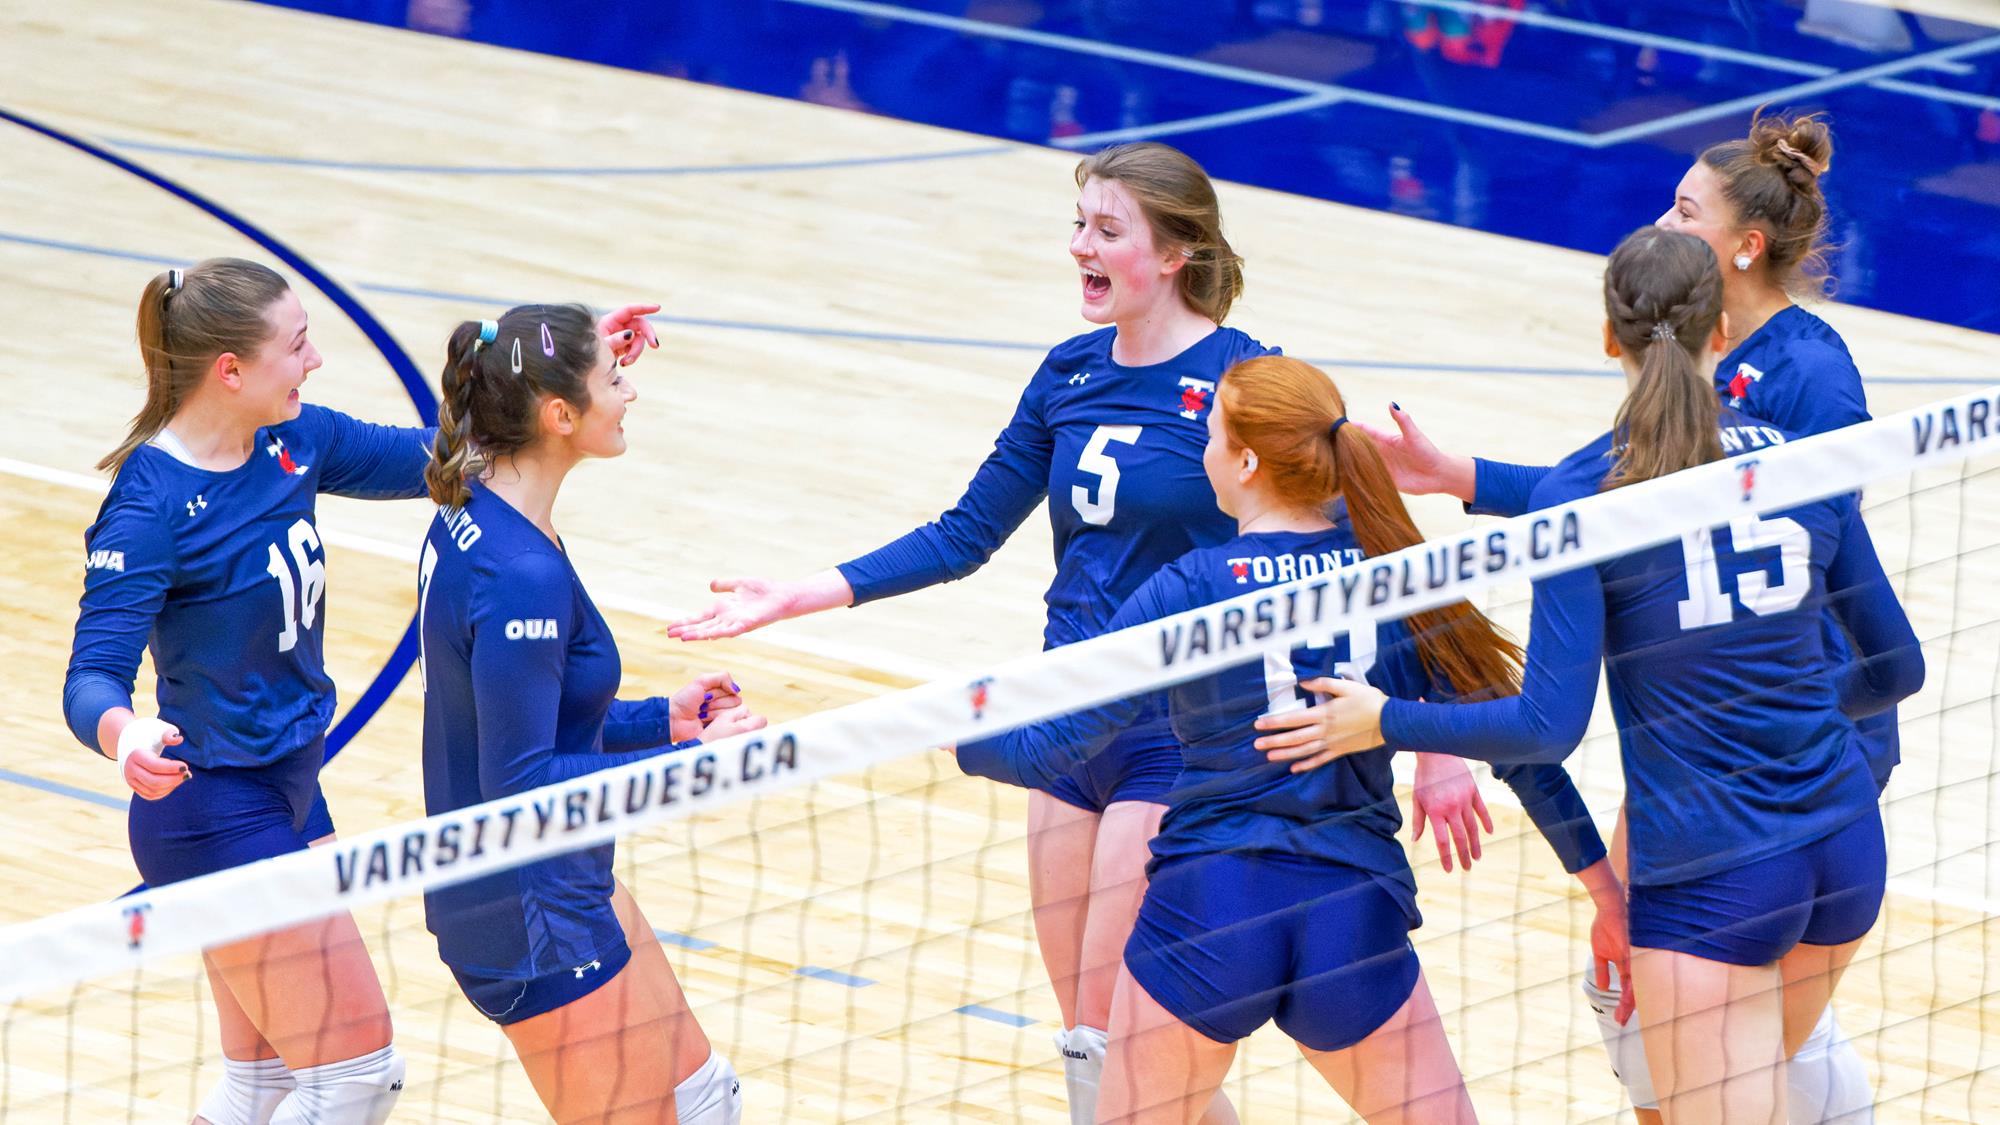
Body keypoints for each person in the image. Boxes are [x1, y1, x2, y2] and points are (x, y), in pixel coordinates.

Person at [665, 141, 1491, 1124]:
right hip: (1063, 718)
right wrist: (792, 595)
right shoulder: (1067, 373)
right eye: (1076, 226)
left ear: (1174, 254)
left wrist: (1431, 738)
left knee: (1123, 1048)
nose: (1078, 249)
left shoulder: (1246, 381)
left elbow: (1370, 545)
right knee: (1101, 1060)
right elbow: (964, 534)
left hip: (1176, 738)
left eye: (1106, 231)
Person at [1257, 227, 1923, 1124]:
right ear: (1722, 331)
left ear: (1609, 337)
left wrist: (1386, 720)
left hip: (1713, 867)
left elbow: (1545, 727)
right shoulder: (1804, 465)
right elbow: (1897, 664)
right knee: (1775, 1094)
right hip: (1843, 847)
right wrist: (1784, 706)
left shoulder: (1578, 502)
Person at [61, 257, 658, 1125]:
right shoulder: (150, 507)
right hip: (211, 806)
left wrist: (573, 374)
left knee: (259, 1086)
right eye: (297, 346)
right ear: (231, 371)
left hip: (287, 790)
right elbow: (91, 672)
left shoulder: (289, 442)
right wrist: (124, 733)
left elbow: (455, 453)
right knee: (354, 1078)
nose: (315, 361)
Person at [954, 354, 1613, 1123]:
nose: (1201, 453)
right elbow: (1526, 754)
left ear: (1244, 461)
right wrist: (1606, 894)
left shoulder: (1188, 589)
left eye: (1209, 436)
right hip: (1352, 914)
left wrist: (962, 739)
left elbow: (1052, 752)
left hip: (1211, 909)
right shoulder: (1402, 572)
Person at [418, 305, 759, 1124]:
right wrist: (693, 767)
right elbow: (522, 778)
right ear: (558, 415)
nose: (630, 391)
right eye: (614, 380)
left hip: (553, 877)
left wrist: (660, 724)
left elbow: (536, 716)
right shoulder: (521, 571)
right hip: (528, 909)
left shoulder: (476, 510)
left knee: (705, 1098)